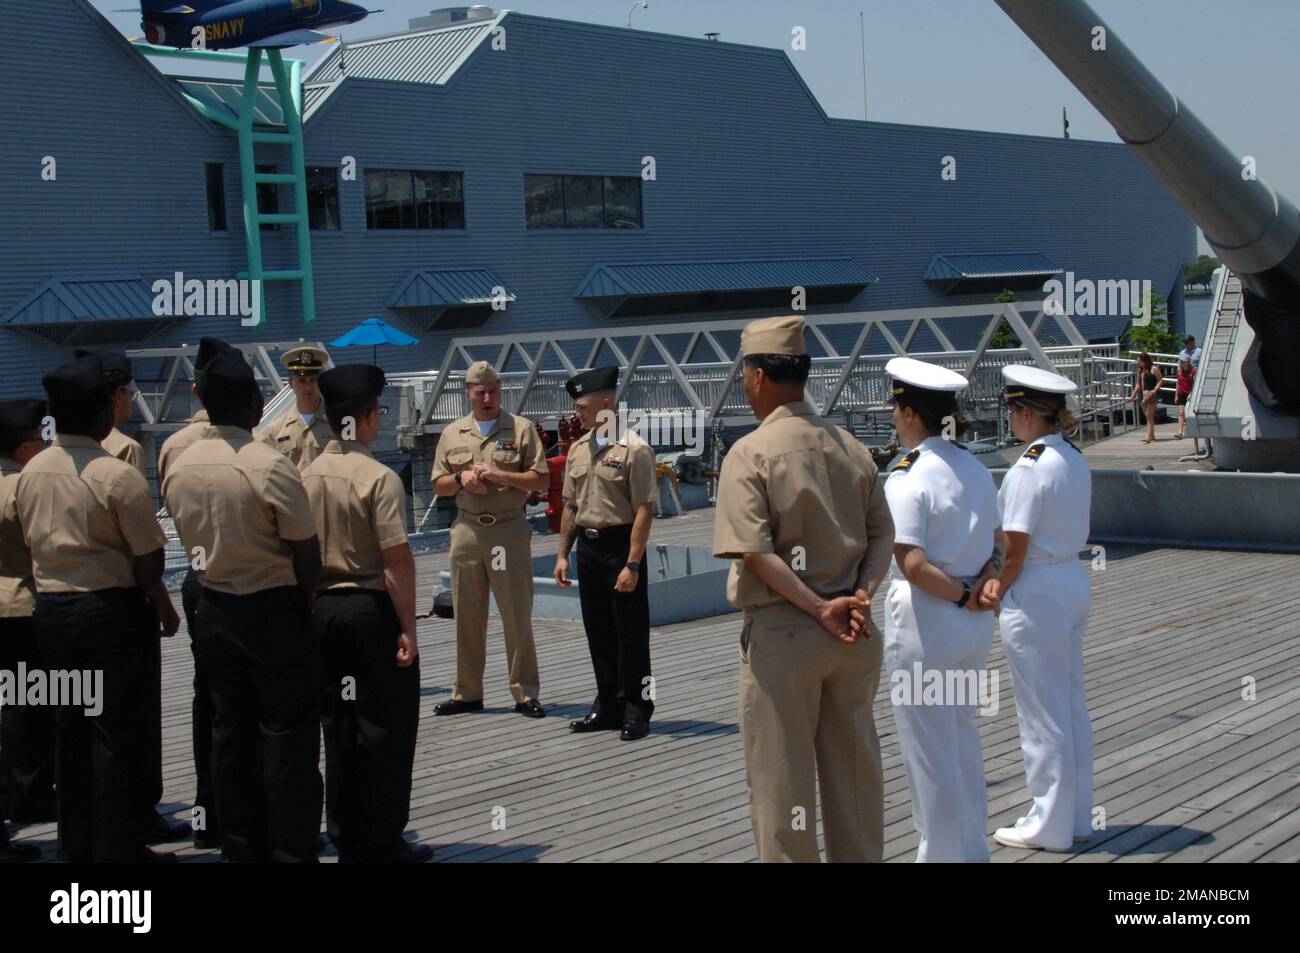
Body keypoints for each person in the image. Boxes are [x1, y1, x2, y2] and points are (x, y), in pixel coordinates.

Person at [712, 315, 895, 863]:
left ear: (760, 376)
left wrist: (819, 608)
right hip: (855, 630)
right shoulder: (852, 447)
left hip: (787, 632)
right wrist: (859, 595)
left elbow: (755, 551)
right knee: (855, 776)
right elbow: (882, 532)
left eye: (744, 373)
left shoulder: (749, 453)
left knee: (782, 783)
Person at [15, 355, 180, 862]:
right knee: (116, 733)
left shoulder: (32, 470)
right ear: (100, 413)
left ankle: (76, 848)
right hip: (109, 614)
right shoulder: (114, 474)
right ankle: (120, 848)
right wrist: (164, 609)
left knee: (71, 728)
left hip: (53, 615)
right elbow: (149, 558)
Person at [162, 347, 324, 862]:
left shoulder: (179, 463)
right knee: (285, 734)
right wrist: (305, 603)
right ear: (255, 402)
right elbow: (304, 547)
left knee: (228, 730)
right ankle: (291, 845)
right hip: (271, 606)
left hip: (211, 603)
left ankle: (239, 844)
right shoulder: (268, 464)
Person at [301, 364, 431, 863]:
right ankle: (380, 837)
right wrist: (408, 630)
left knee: (337, 722)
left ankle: (343, 829)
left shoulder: (305, 475)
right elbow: (395, 561)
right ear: (369, 418)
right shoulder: (378, 479)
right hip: (369, 609)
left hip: (323, 608)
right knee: (385, 727)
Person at [882, 357, 1000, 863]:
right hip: (972, 623)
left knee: (927, 751)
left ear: (909, 413)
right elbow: (997, 545)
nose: (892, 417)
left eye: (895, 407)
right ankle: (971, 851)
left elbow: (910, 561)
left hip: (927, 621)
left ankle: (938, 856)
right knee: (960, 736)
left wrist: (958, 595)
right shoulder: (975, 468)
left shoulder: (906, 476)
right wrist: (984, 587)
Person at [983, 365, 1094, 852]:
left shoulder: (1030, 465)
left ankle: (1047, 823)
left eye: (1012, 409)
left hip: (1037, 591)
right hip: (1071, 579)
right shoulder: (1073, 457)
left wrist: (996, 591)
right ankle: (1075, 816)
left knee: (1040, 714)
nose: (1010, 418)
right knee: (1069, 706)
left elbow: (1016, 547)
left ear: (1026, 412)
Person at [77, 347, 185, 844]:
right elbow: (144, 548)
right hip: (121, 599)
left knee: (79, 718)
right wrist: (163, 605)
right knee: (133, 717)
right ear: (116, 396)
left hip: (62, 606)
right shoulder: (123, 452)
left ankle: (85, 821)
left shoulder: (45, 457)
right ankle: (139, 813)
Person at [429, 361, 549, 718]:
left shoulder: (521, 429)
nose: (487, 398)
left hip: (506, 529)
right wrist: (462, 479)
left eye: (493, 390)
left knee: (515, 610)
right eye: (480, 391)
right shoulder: (452, 433)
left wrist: (500, 475)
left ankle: (524, 691)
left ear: (500, 391)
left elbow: (540, 480)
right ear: (467, 393)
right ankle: (467, 691)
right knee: (467, 611)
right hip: (467, 529)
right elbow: (439, 483)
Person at [553, 367, 657, 741]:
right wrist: (563, 554)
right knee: (598, 630)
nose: (576, 412)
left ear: (606, 403)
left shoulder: (636, 450)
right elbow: (569, 506)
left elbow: (644, 509)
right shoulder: (579, 449)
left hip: (620, 547)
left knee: (631, 633)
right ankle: (607, 704)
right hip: (589, 548)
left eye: (582, 406)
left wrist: (632, 563)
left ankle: (637, 708)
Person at [156, 337, 226, 850]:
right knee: (255, 706)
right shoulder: (257, 441)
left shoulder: (172, 446)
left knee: (207, 697)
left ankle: (208, 814)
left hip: (198, 580)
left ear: (196, 389)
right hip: (251, 585)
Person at [0, 398, 52, 862]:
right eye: (38, 440)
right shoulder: (23, 489)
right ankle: (29, 791)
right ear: (22, 449)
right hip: (21, 604)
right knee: (29, 705)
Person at [259, 345, 333, 469]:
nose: (308, 387)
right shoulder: (276, 430)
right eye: (302, 381)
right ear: (291, 383)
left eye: (313, 380)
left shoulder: (338, 423)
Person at [74, 348, 146, 476]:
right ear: (118, 395)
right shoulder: (126, 448)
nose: (131, 399)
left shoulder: (56, 445)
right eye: (131, 393)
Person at [1128, 352, 1163, 444]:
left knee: (1149, 414)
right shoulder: (1140, 370)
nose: (1139, 362)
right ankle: (1152, 435)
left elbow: (1160, 380)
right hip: (1144, 394)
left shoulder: (1153, 369)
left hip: (1152, 393)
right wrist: (1133, 394)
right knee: (1148, 416)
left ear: (1145, 360)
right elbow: (1138, 384)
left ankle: (1148, 436)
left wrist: (1155, 390)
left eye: (1140, 361)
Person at [1174, 358, 1195, 439]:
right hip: (1181, 393)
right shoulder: (1179, 370)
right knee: (1181, 413)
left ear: (1188, 362)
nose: (1182, 364)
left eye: (1184, 362)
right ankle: (1180, 432)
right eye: (1181, 362)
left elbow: (1195, 383)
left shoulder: (1193, 371)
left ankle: (1190, 430)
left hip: (1190, 393)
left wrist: (1192, 393)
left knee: (1189, 413)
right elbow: (1178, 383)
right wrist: (1176, 395)